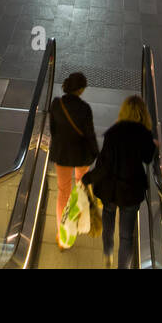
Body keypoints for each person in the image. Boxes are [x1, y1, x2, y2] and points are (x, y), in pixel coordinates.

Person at [84, 94, 156, 269]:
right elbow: (147, 158)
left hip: (110, 189)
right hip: (131, 191)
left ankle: (107, 253)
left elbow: (104, 164)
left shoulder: (113, 132)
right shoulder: (144, 134)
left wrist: (88, 178)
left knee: (108, 221)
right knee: (126, 236)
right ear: (142, 113)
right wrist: (152, 144)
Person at [51, 72, 100, 249]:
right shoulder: (85, 108)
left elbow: (53, 130)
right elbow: (90, 134)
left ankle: (61, 233)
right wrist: (96, 153)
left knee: (63, 191)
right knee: (81, 186)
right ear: (80, 90)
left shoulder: (56, 104)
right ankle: (78, 222)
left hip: (62, 153)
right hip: (81, 155)